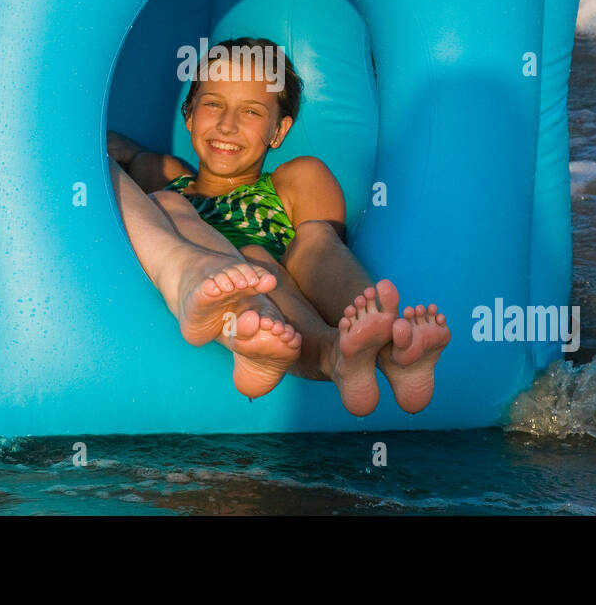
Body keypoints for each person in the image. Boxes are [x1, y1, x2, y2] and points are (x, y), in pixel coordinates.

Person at [109, 36, 449, 415]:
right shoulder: (165, 177)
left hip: (286, 285)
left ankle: (391, 350)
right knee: (175, 210)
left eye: (251, 112)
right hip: (234, 296)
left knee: (311, 239)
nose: (227, 124)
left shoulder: (293, 180)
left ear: (278, 131)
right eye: (212, 105)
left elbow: (323, 259)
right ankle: (333, 354)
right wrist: (125, 149)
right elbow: (120, 158)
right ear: (188, 115)